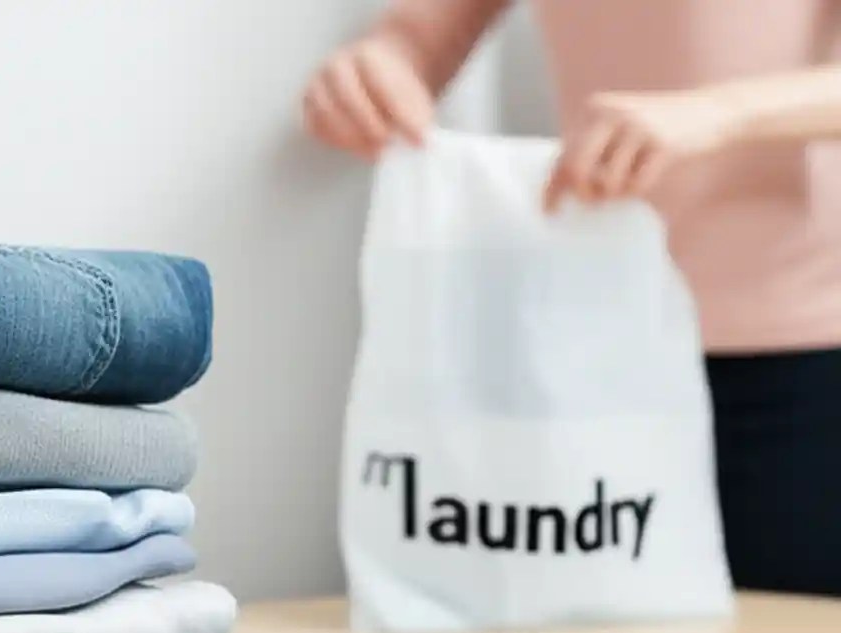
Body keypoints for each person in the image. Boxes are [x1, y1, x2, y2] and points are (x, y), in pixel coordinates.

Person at [304, 0, 841, 596]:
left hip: (800, 362)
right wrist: (377, 70)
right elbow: (417, 37)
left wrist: (719, 111)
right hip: (589, 357)